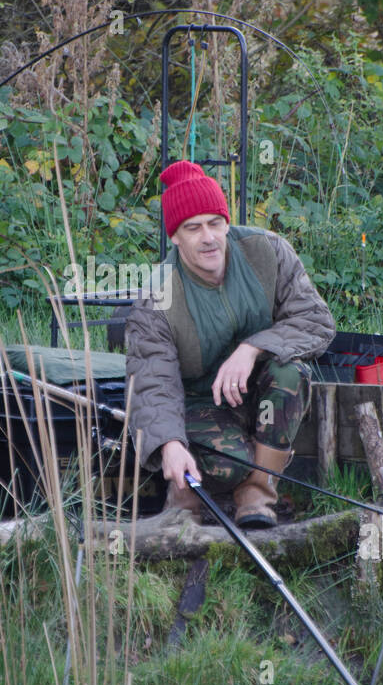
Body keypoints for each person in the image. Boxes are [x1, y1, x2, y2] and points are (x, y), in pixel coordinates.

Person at [125, 160, 336, 527]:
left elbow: (315, 321)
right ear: (175, 236)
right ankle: (183, 497)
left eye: (215, 223)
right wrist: (169, 445)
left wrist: (252, 348)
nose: (208, 237)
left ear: (226, 222)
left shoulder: (267, 252)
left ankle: (258, 493)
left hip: (259, 396)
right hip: (200, 407)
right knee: (227, 466)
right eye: (193, 228)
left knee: (291, 372)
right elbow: (152, 383)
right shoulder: (157, 296)